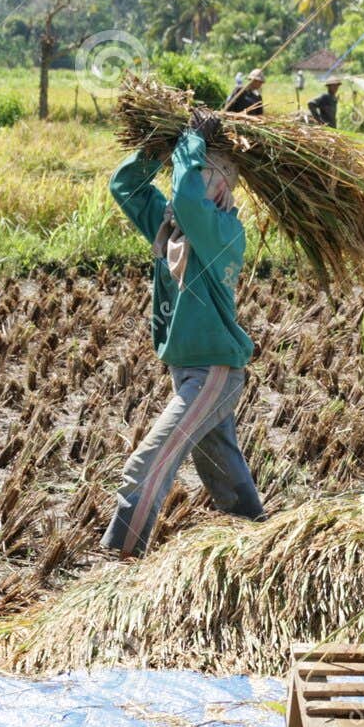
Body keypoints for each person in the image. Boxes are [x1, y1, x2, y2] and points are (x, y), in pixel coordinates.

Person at [102, 111, 265, 558]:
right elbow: (125, 187)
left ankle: (119, 562)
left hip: (213, 373)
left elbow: (189, 200)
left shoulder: (222, 231)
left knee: (148, 466)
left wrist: (192, 143)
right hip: (188, 370)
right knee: (223, 470)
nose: (181, 184)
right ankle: (259, 545)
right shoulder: (172, 227)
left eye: (195, 176)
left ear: (222, 187)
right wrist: (158, 148)